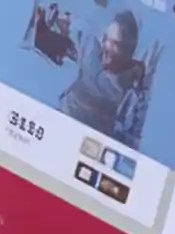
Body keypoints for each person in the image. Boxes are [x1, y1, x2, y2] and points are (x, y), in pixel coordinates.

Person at [59, 11, 146, 144]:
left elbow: (131, 132)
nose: (106, 46)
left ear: (129, 52)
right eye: (105, 39)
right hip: (62, 118)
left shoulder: (131, 87)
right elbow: (65, 21)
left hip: (91, 140)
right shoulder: (91, 49)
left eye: (115, 43)